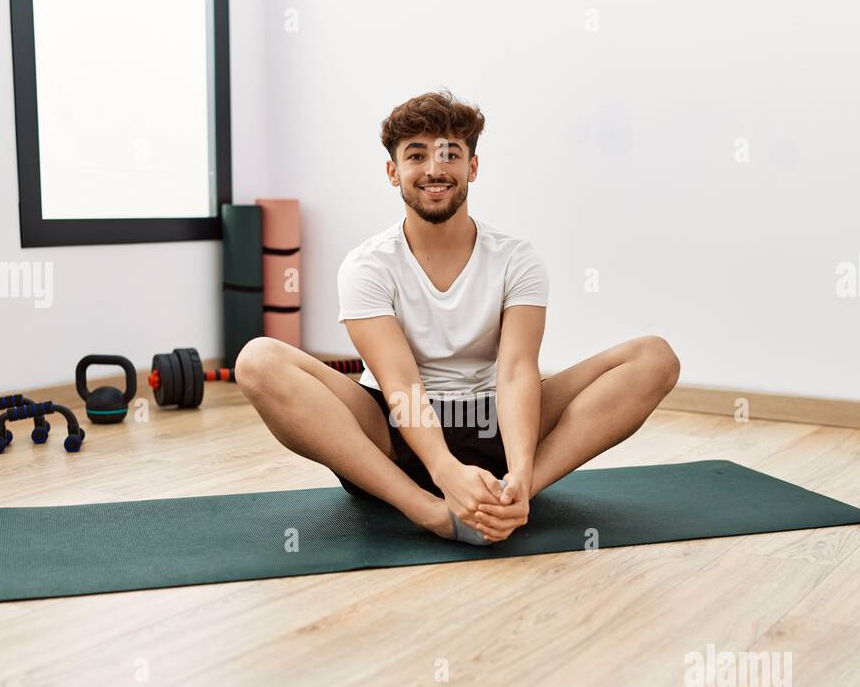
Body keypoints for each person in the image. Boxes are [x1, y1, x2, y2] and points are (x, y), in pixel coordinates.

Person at [235, 90, 680, 544]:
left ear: (472, 167)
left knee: (654, 358)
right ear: (394, 172)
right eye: (416, 155)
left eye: (450, 153)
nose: (434, 169)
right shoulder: (367, 266)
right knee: (258, 359)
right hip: (393, 435)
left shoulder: (517, 260)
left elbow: (516, 372)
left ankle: (510, 499)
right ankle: (428, 511)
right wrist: (444, 472)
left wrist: (521, 472)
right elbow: (400, 386)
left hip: (497, 428)